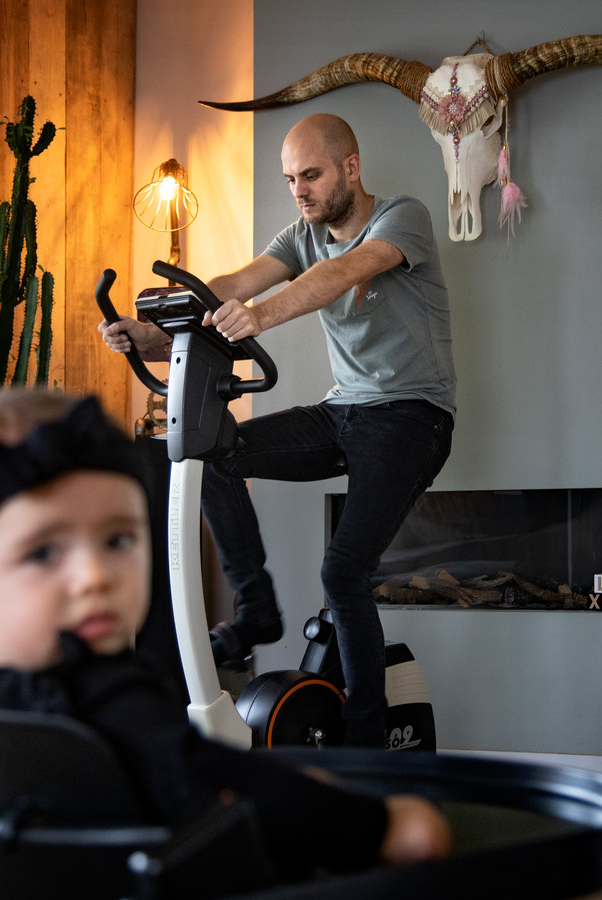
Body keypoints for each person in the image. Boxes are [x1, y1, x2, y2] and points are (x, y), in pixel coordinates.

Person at [0, 388, 450, 881]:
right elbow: (250, 791)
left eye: (118, 540)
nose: (96, 577)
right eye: (43, 552)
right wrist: (391, 824)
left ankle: (255, 612)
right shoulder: (109, 704)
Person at [100, 113, 456, 748]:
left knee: (344, 572)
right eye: (291, 179)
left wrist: (258, 318)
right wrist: (151, 332)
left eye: (311, 176)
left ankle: (366, 744)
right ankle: (257, 608)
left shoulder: (402, 217)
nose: (300, 191)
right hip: (345, 411)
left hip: (411, 417)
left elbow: (341, 274)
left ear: (351, 167)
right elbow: (235, 282)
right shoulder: (300, 233)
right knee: (208, 449)